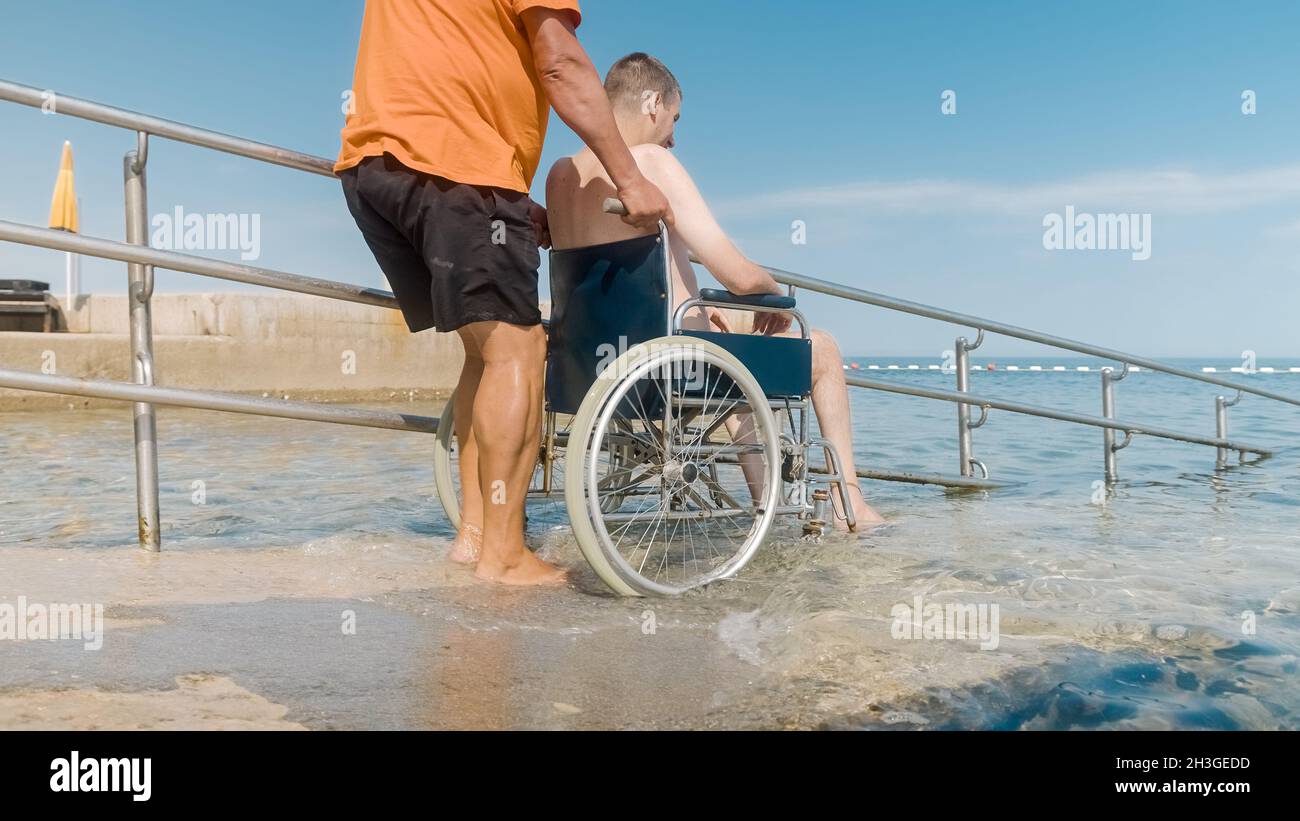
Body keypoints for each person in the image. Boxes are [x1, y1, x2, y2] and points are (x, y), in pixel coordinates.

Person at [337, 2, 672, 585]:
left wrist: (508, 203)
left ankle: (474, 537)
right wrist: (631, 178)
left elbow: (452, 60)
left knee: (483, 353)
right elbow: (562, 65)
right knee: (518, 351)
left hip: (377, 169)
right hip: (457, 168)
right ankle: (507, 556)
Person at [546, 53, 885, 530]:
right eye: (674, 118)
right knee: (823, 350)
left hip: (590, 367)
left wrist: (703, 312)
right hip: (670, 367)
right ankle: (852, 502)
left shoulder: (562, 174)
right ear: (653, 103)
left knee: (730, 353)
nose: (673, 135)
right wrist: (775, 294)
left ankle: (765, 501)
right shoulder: (652, 163)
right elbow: (739, 277)